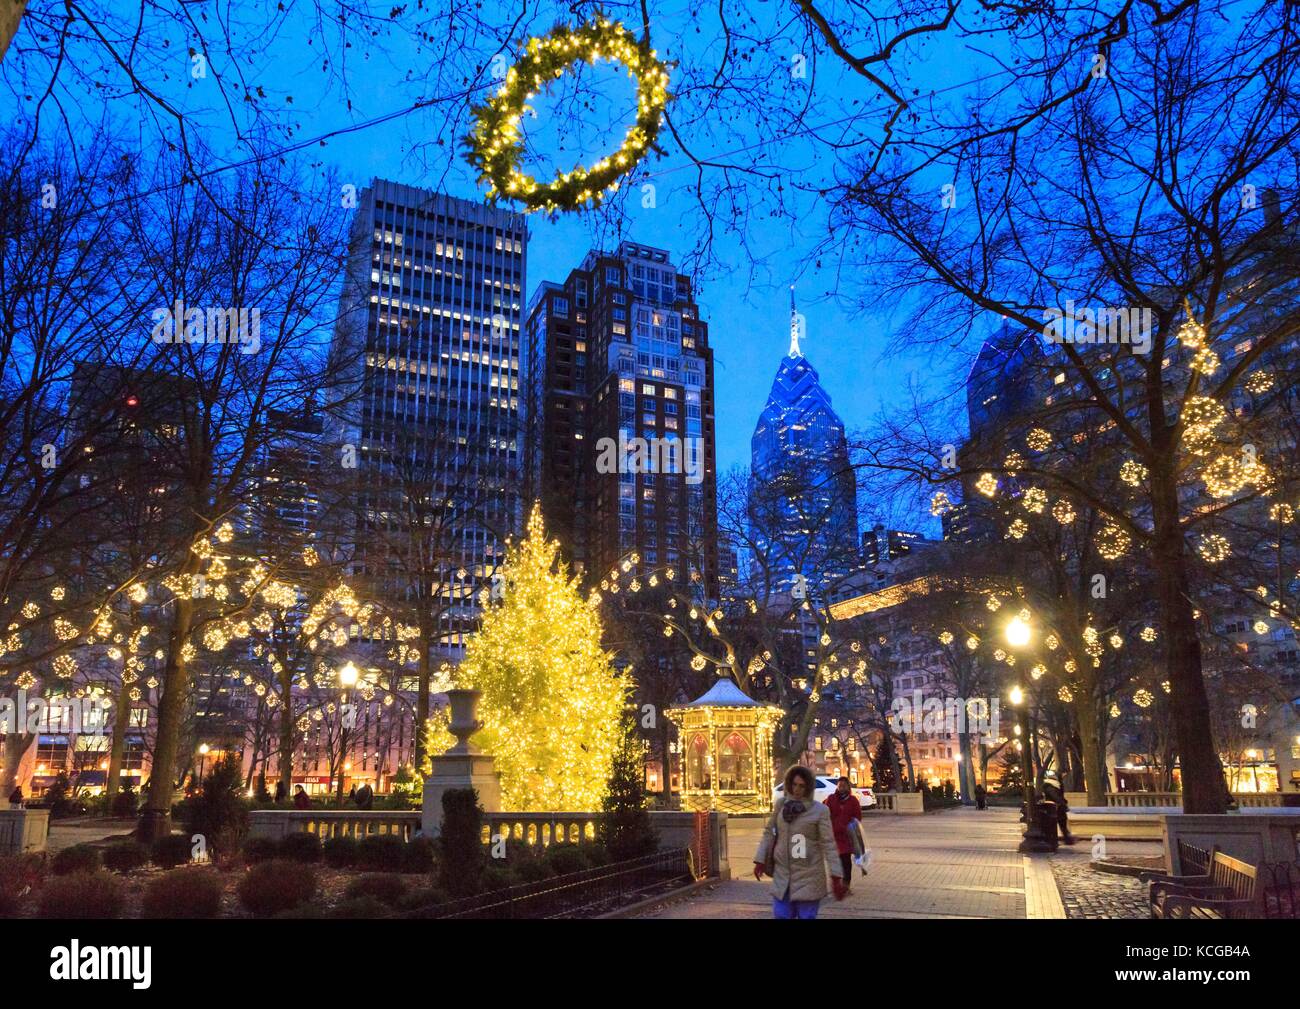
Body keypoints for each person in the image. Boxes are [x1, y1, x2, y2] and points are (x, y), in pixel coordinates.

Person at [753, 765, 846, 919]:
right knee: (781, 915)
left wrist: (836, 877)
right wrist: (760, 859)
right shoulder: (781, 805)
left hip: (809, 876)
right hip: (783, 876)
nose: (797, 789)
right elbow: (769, 832)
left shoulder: (820, 811)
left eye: (802, 786)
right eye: (794, 784)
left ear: (808, 788)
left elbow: (829, 844)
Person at [823, 776, 862, 893]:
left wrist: (852, 827)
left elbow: (857, 817)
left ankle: (846, 884)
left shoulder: (853, 801)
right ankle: (836, 884)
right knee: (835, 861)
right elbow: (824, 813)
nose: (841, 788)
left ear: (848, 787)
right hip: (834, 835)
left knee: (845, 861)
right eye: (840, 786)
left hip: (846, 836)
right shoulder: (831, 799)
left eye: (844, 786)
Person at [1040, 771, 1075, 844]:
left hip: (1055, 808)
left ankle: (1067, 839)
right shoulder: (1051, 785)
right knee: (1060, 824)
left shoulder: (1053, 785)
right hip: (1055, 808)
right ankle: (1066, 839)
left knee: (1061, 824)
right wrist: (1063, 804)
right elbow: (1055, 796)